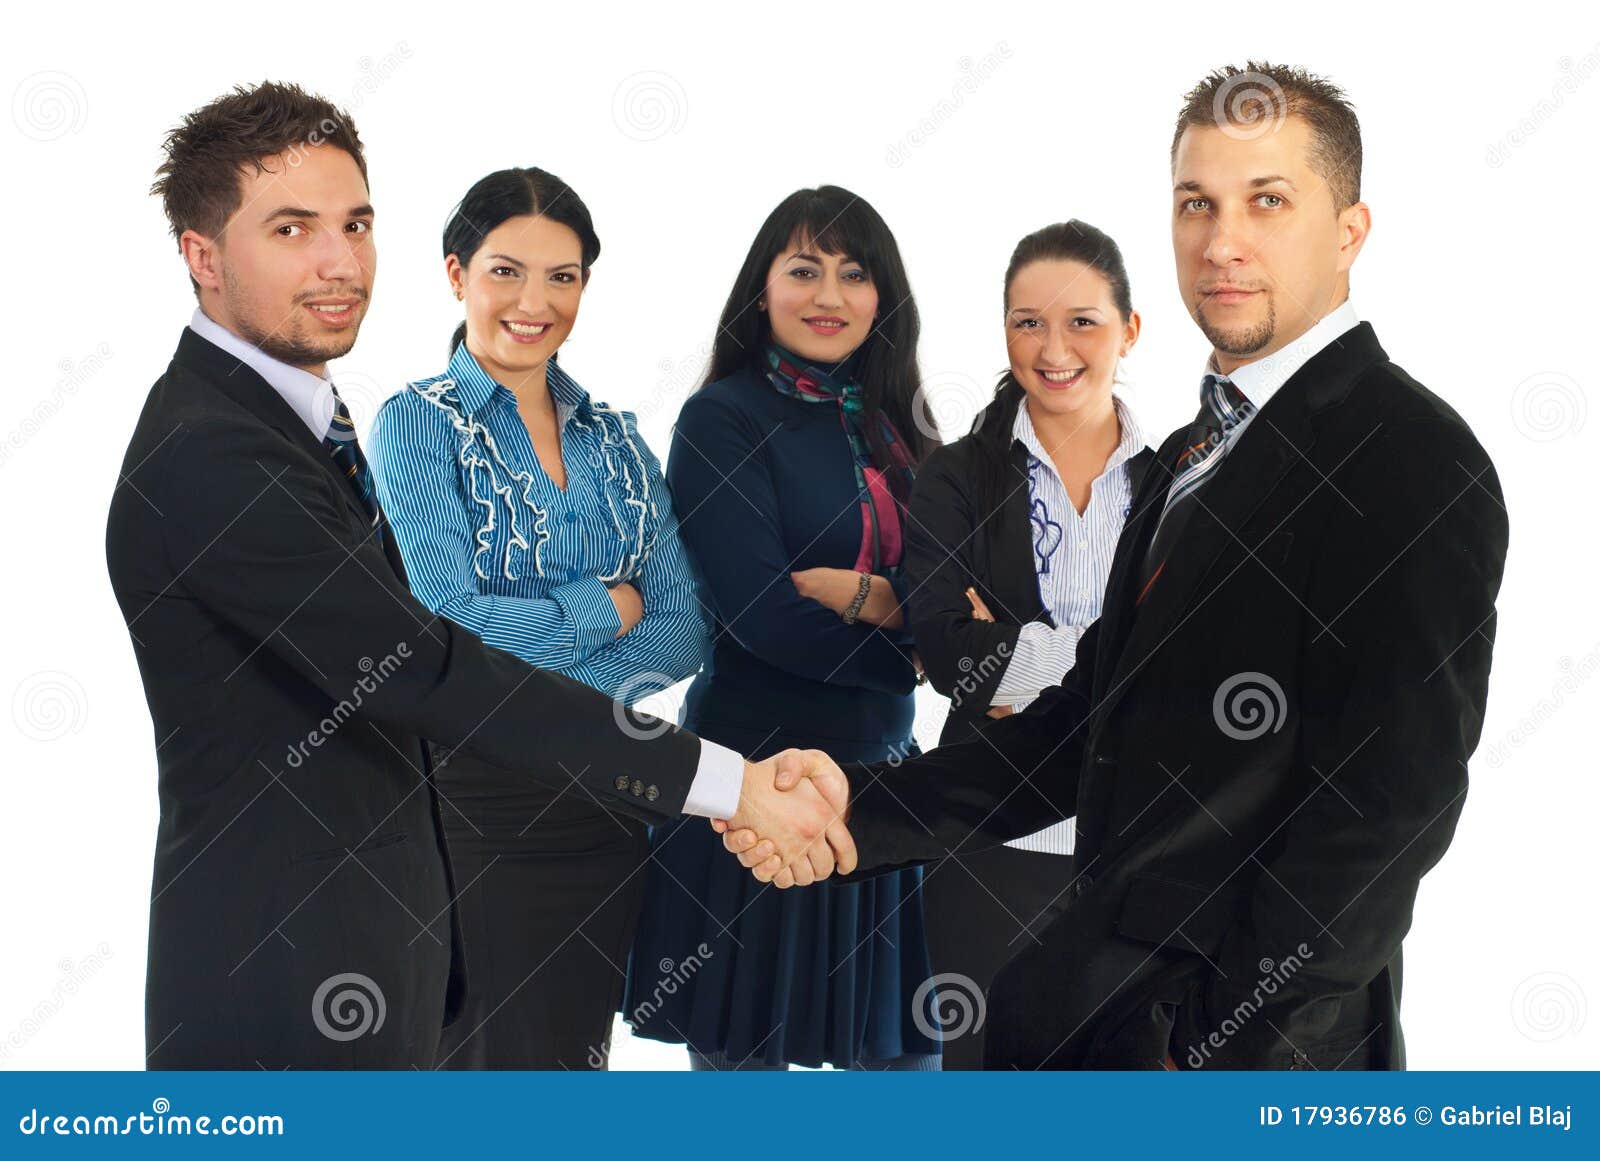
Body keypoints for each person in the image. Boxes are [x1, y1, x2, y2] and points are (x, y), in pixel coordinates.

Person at [724, 62, 1511, 1071]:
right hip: (1093, 1011)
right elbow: (1082, 728)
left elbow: (1389, 811)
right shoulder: (1191, 455)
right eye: (1196, 203)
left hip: (1243, 1060)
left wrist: (1206, 1040)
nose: (1221, 242)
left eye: (1268, 201)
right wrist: (855, 810)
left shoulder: (1409, 453)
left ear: (1349, 231)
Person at [106, 82, 850, 1070]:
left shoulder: (296, 423)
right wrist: (726, 782)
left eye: (354, 224)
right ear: (203, 256)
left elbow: (671, 627)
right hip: (284, 987)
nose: (340, 262)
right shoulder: (218, 454)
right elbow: (430, 659)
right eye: (291, 230)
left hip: (411, 931)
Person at [364, 167, 709, 1069]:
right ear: (456, 274)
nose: (534, 302)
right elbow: (447, 623)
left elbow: (683, 626)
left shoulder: (617, 439)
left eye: (563, 277)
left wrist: (532, 675)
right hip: (475, 807)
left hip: (604, 804)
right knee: (475, 1070)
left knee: (571, 1062)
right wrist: (608, 604)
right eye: (506, 271)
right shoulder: (417, 425)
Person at [625, 186, 942, 1070]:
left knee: (907, 1074)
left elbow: (956, 598)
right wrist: (911, 649)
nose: (828, 295)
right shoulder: (720, 418)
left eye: (854, 273)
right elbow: (762, 616)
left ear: (884, 297)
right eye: (804, 270)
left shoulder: (901, 426)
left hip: (878, 788)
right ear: (761, 289)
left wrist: (867, 597)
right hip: (751, 788)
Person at [905, 220, 1153, 1068]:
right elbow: (949, 655)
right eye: (1028, 322)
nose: (1053, 349)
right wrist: (1122, 660)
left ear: (1129, 329)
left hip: (1137, 848)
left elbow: (1201, 653)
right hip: (989, 846)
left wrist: (1019, 650)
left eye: (1083, 321)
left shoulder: (1181, 475)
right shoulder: (955, 478)